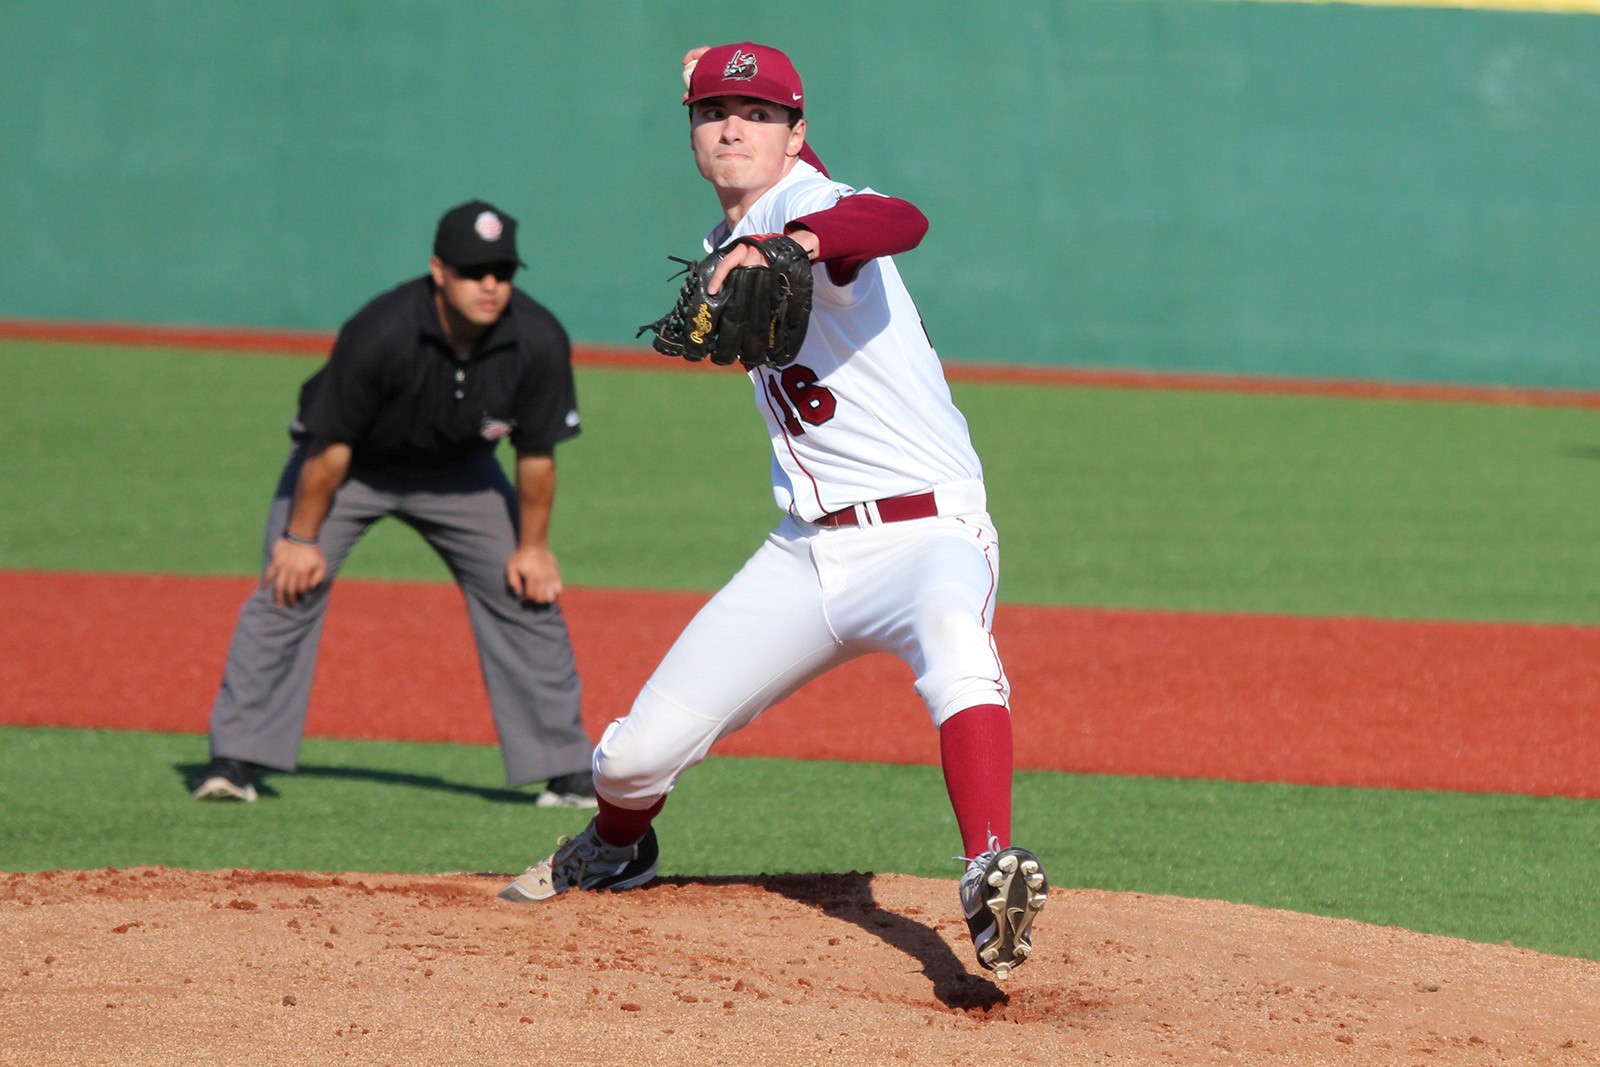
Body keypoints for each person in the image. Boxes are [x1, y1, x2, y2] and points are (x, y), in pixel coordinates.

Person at [498, 44, 1048, 980]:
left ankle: (989, 869)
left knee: (959, 644)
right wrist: (710, 99)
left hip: (928, 532)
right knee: (630, 763)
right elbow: (763, 182)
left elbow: (898, 218)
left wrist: (791, 242)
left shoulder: (806, 211)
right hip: (805, 554)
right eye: (714, 111)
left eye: (756, 111)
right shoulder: (735, 234)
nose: (732, 126)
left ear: (799, 135)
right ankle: (619, 844)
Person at [191, 200, 597, 808]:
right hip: (353, 466)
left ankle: (564, 770)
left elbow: (537, 456)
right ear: (439, 270)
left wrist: (533, 549)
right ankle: (236, 761)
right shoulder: (381, 330)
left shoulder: (536, 339)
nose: (489, 285)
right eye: (471, 270)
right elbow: (330, 446)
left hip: (462, 473)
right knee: (289, 582)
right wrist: (301, 541)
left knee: (524, 589)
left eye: (502, 272)